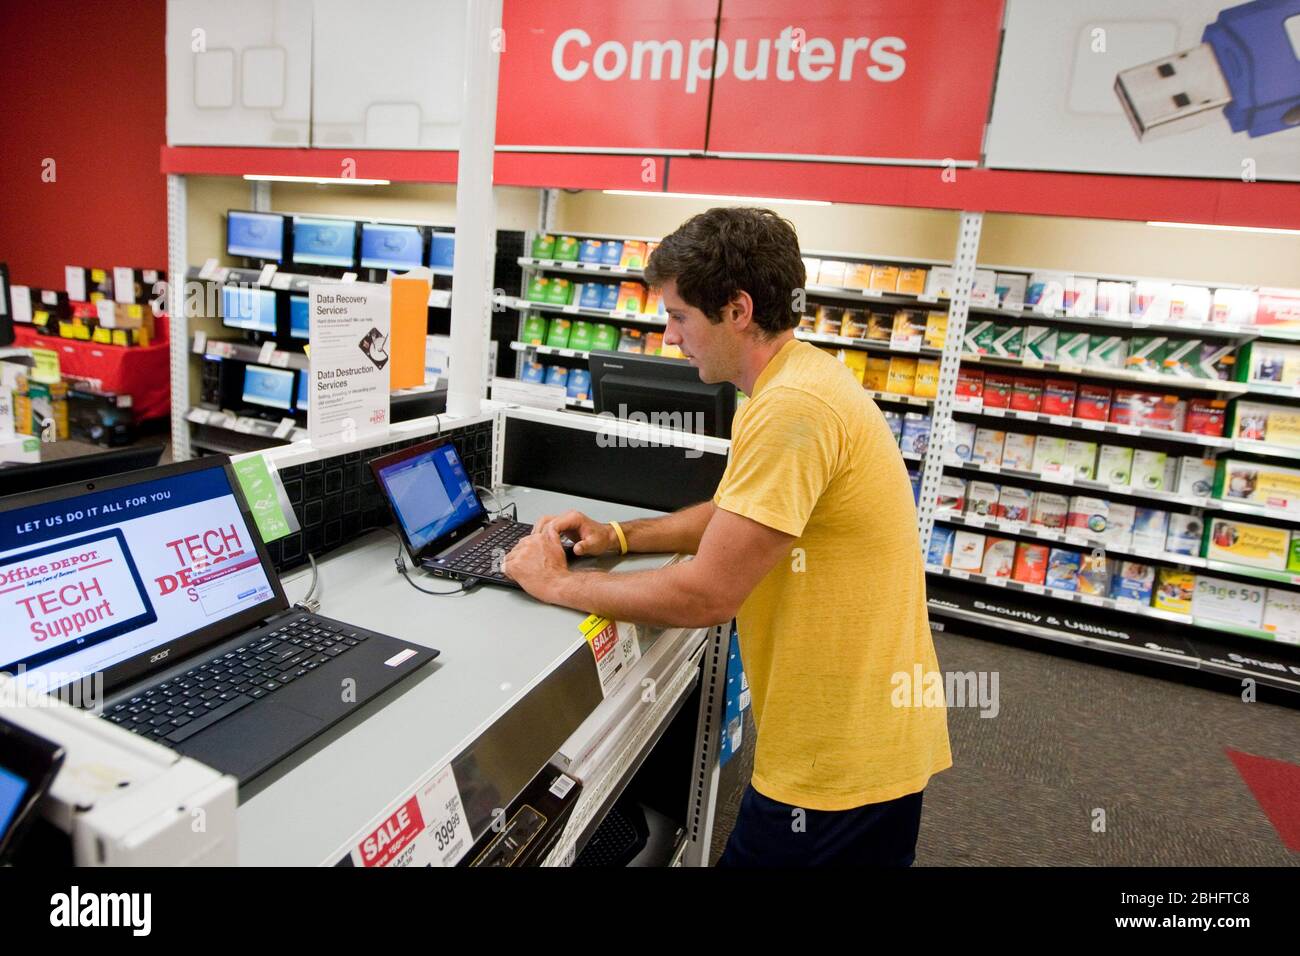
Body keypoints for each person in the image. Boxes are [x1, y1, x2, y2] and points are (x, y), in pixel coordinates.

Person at [505, 207, 951, 866]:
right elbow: (733, 511)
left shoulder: (792, 410)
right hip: (858, 740)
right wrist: (617, 537)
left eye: (680, 316)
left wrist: (556, 583)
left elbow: (708, 595)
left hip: (840, 764)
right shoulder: (793, 382)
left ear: (737, 310)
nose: (669, 335)